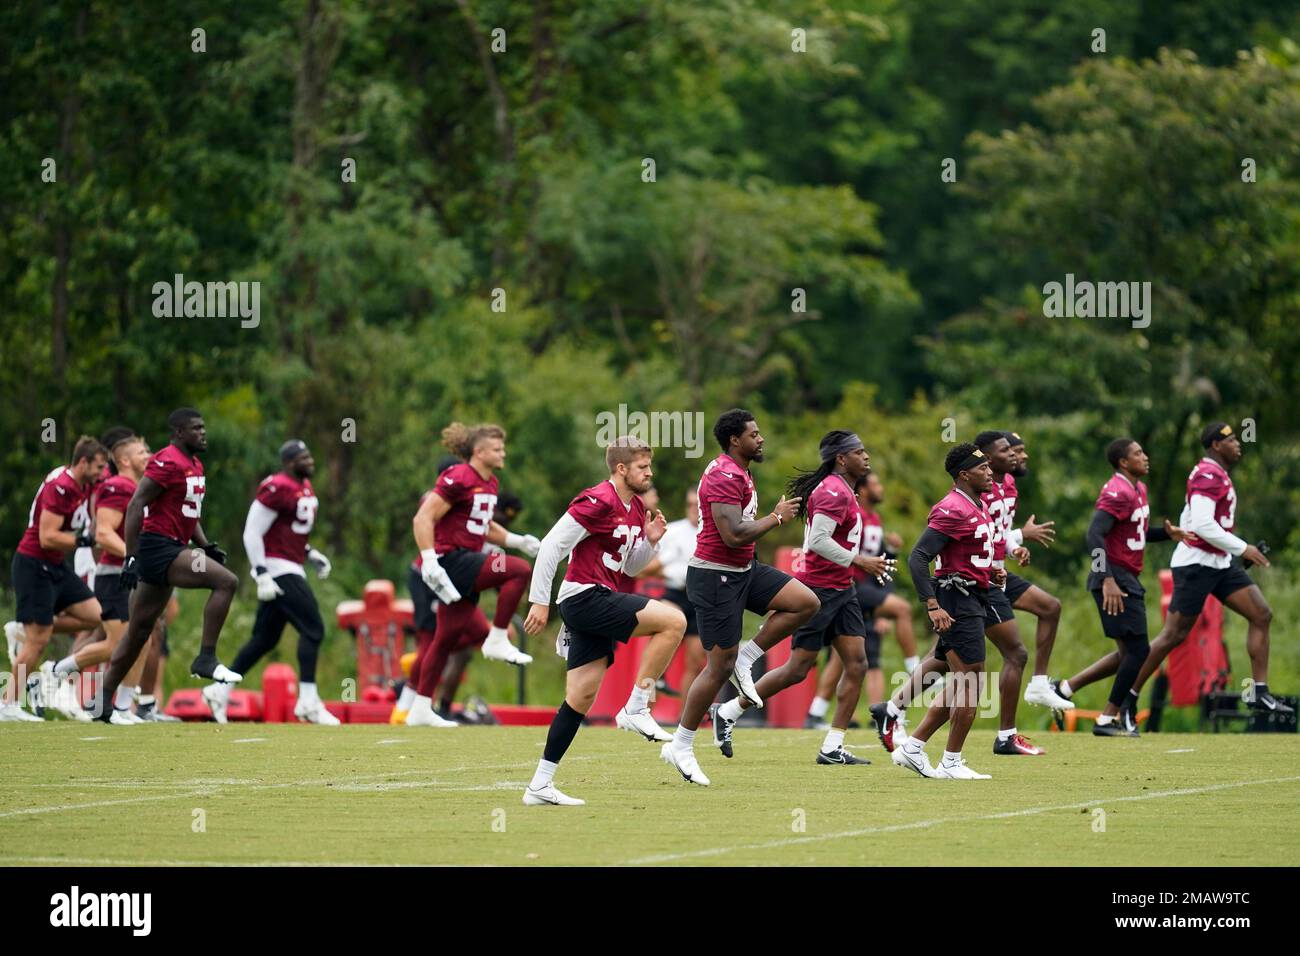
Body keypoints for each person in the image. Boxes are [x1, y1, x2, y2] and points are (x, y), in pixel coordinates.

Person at [710, 431, 893, 765]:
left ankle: (832, 746)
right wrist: (860, 560)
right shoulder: (833, 491)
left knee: (857, 663)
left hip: (843, 588)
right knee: (797, 670)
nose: (866, 457)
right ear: (842, 458)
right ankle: (728, 710)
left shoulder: (845, 488)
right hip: (819, 590)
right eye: (859, 452)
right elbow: (819, 541)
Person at [521, 437, 684, 806]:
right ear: (622, 468)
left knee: (580, 697)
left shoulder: (636, 505)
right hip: (584, 597)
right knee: (673, 622)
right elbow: (550, 546)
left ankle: (539, 786)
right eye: (643, 467)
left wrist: (651, 542)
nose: (650, 473)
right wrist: (539, 602)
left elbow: (629, 566)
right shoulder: (597, 499)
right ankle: (637, 706)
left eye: (649, 466)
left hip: (597, 597)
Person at [661, 409, 819, 787]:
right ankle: (680, 744)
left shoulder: (741, 471)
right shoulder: (723, 474)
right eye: (754, 433)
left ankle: (748, 657)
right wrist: (777, 518)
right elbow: (732, 534)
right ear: (735, 439)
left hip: (743, 570)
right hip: (715, 577)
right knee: (716, 666)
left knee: (806, 602)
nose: (761, 438)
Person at [1121, 423, 1291, 715]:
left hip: (1219, 563)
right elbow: (1201, 524)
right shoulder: (1208, 474)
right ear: (1216, 445)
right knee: (1173, 636)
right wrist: (1242, 547)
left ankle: (1258, 693)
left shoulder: (1218, 473)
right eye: (1231, 440)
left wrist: (1235, 550)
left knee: (1261, 613)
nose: (1238, 444)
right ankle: (1127, 698)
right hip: (1196, 564)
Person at [94, 408, 242, 721]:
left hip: (175, 547)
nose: (203, 433)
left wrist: (205, 546)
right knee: (226, 581)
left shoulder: (195, 464)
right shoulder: (166, 460)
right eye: (195, 428)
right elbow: (137, 504)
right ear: (178, 432)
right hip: (159, 549)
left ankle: (102, 700)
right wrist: (131, 556)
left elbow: (190, 513)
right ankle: (206, 658)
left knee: (138, 631)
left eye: (204, 427)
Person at [1051, 438, 1194, 735]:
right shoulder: (1117, 491)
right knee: (1139, 651)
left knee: (1127, 654)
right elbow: (1094, 534)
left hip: (1125, 575)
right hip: (1115, 577)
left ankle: (1064, 689)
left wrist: (1166, 534)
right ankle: (1107, 718)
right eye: (1138, 453)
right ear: (1124, 462)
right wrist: (1107, 579)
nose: (1146, 456)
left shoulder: (1137, 488)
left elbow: (1133, 535)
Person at [404, 423, 539, 728]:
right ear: (478, 452)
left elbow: (485, 525)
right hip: (453, 558)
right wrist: (429, 559)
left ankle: (422, 708)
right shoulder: (458, 477)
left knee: (445, 639)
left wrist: (517, 540)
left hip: (467, 560)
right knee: (517, 570)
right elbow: (423, 517)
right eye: (497, 449)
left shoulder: (490, 482)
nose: (503, 453)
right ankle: (496, 637)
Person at [203, 439, 337, 725]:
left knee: (264, 639)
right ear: (289, 461)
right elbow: (252, 532)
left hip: (291, 564)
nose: (310, 460)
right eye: (304, 456)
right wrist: (262, 573)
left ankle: (219, 689)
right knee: (313, 629)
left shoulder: (303, 486)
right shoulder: (277, 486)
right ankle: (309, 701)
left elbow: (288, 530)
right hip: (277, 569)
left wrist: (310, 554)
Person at [891, 443, 1002, 780]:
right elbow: (918, 557)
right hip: (955, 601)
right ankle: (950, 762)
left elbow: (961, 552)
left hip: (971, 596)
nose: (990, 473)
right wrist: (932, 604)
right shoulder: (953, 507)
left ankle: (912, 747)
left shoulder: (975, 503)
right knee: (970, 680)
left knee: (963, 680)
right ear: (964, 474)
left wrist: (988, 571)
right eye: (983, 469)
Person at [2, 437, 108, 721]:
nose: (101, 473)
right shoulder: (60, 485)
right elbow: (47, 537)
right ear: (82, 462)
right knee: (38, 642)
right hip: (35, 565)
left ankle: (25, 630)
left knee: (97, 616)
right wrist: (84, 540)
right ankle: (7, 704)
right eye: (98, 467)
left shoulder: (85, 483)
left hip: (57, 566)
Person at [805, 471, 915, 727]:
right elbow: (844, 552)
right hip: (844, 587)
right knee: (804, 663)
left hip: (862, 592)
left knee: (847, 658)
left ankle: (816, 713)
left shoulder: (874, 517)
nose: (880, 488)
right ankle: (917, 670)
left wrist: (891, 552)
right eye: (876, 484)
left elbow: (875, 561)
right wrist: (883, 604)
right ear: (863, 490)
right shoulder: (850, 513)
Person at [998, 431, 1068, 699]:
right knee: (947, 657)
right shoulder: (985, 486)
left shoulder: (1010, 486)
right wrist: (1020, 537)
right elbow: (981, 533)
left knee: (1050, 607)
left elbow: (998, 536)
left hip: (996, 574)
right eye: (1016, 450)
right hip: (975, 578)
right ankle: (894, 710)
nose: (1023, 456)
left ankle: (1039, 683)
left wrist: (1015, 548)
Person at [637, 487, 705, 699]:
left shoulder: (712, 531)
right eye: (690, 504)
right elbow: (643, 570)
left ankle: (685, 721)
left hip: (701, 597)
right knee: (665, 625)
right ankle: (645, 702)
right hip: (675, 591)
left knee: (696, 661)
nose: (693, 509)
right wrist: (669, 565)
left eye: (698, 504)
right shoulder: (673, 530)